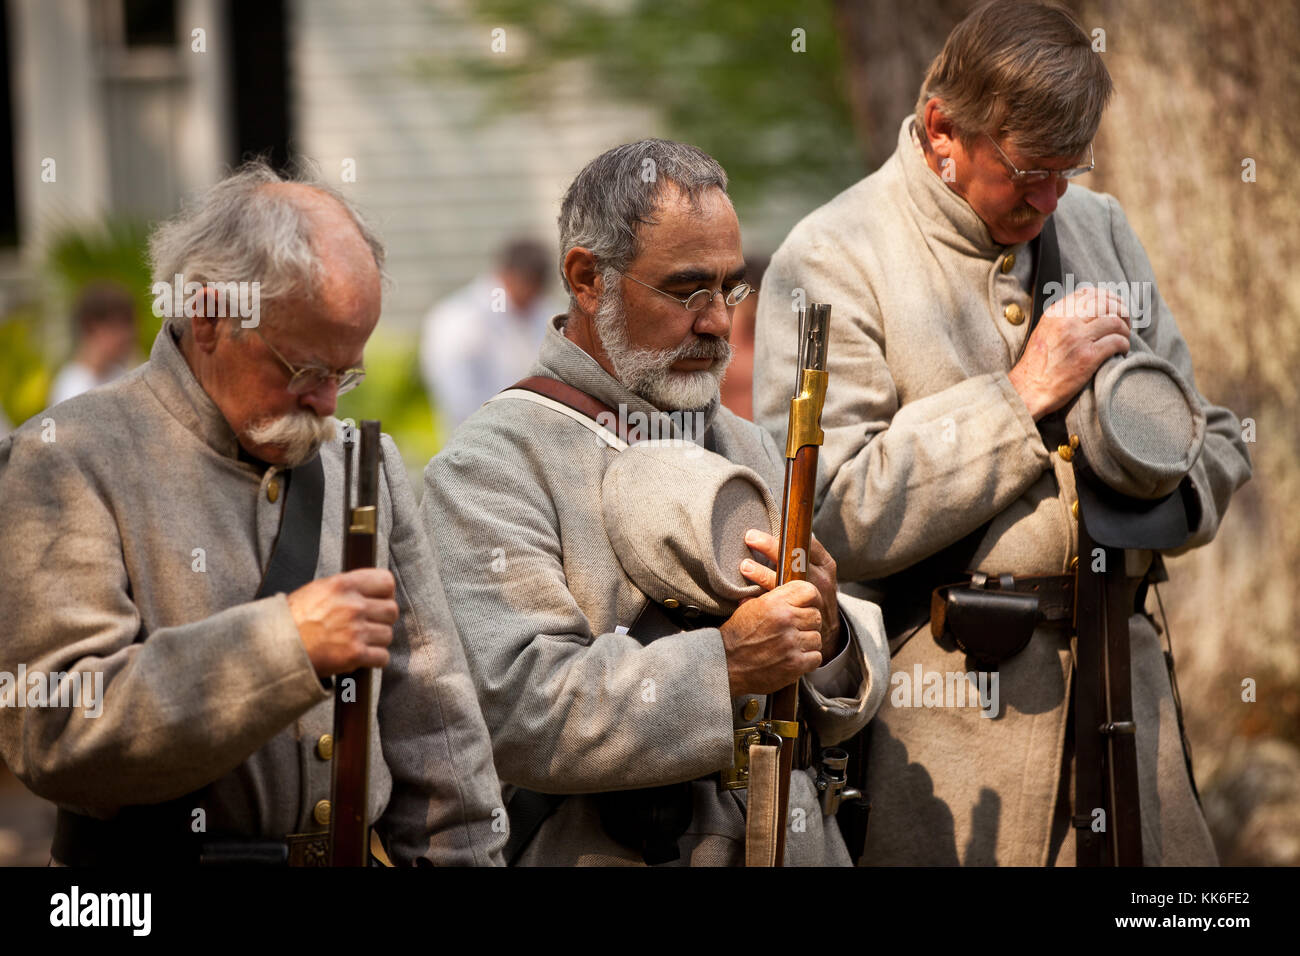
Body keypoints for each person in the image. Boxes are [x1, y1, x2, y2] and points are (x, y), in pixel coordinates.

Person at [753, 0, 1252, 866]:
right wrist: (1018, 396)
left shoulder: (1099, 229)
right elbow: (829, 518)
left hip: (1125, 706)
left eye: (1071, 170)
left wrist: (1137, 449)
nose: (1053, 199)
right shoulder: (833, 255)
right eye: (1029, 171)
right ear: (943, 129)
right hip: (945, 725)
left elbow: (1214, 444)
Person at [0, 162, 505, 866]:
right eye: (305, 370)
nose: (330, 403)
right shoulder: (67, 458)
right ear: (209, 316)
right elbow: (54, 732)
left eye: (344, 373)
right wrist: (285, 644)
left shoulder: (363, 467)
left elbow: (439, 732)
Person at [422, 140, 889, 866]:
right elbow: (518, 711)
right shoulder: (493, 465)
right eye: (686, 291)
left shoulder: (753, 445)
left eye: (731, 290)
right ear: (586, 279)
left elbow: (826, 698)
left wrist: (826, 634)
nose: (716, 322)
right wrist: (725, 667)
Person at [419, 238, 555, 428]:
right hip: (476, 442)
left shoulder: (544, 313)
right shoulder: (457, 319)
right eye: (527, 288)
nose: (531, 299)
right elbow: (459, 400)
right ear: (508, 276)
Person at [48, 281, 139, 406]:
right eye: (119, 325)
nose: (128, 335)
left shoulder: (119, 375)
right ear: (92, 327)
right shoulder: (72, 389)